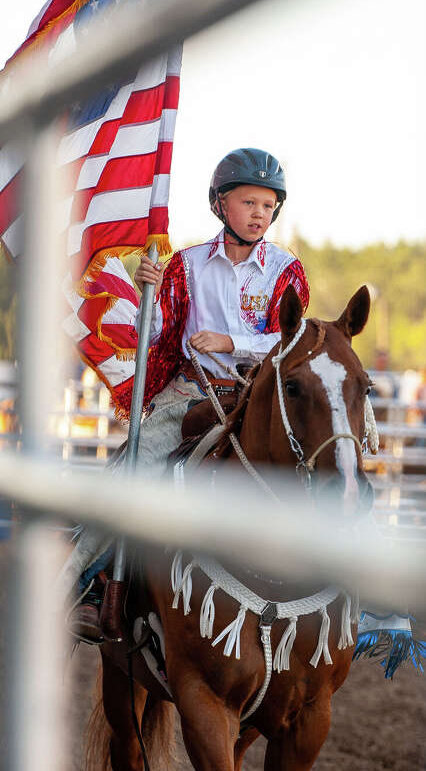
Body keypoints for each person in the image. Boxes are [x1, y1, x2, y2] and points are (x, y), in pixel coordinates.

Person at [65, 148, 309, 643]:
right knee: (131, 472)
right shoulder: (186, 265)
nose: (260, 213)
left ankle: (360, 600)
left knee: (330, 457)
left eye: (268, 205)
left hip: (256, 394)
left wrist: (231, 342)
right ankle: (82, 586)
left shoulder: (287, 269)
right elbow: (153, 339)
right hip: (191, 394)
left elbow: (293, 338)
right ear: (220, 205)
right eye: (249, 202)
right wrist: (147, 295)